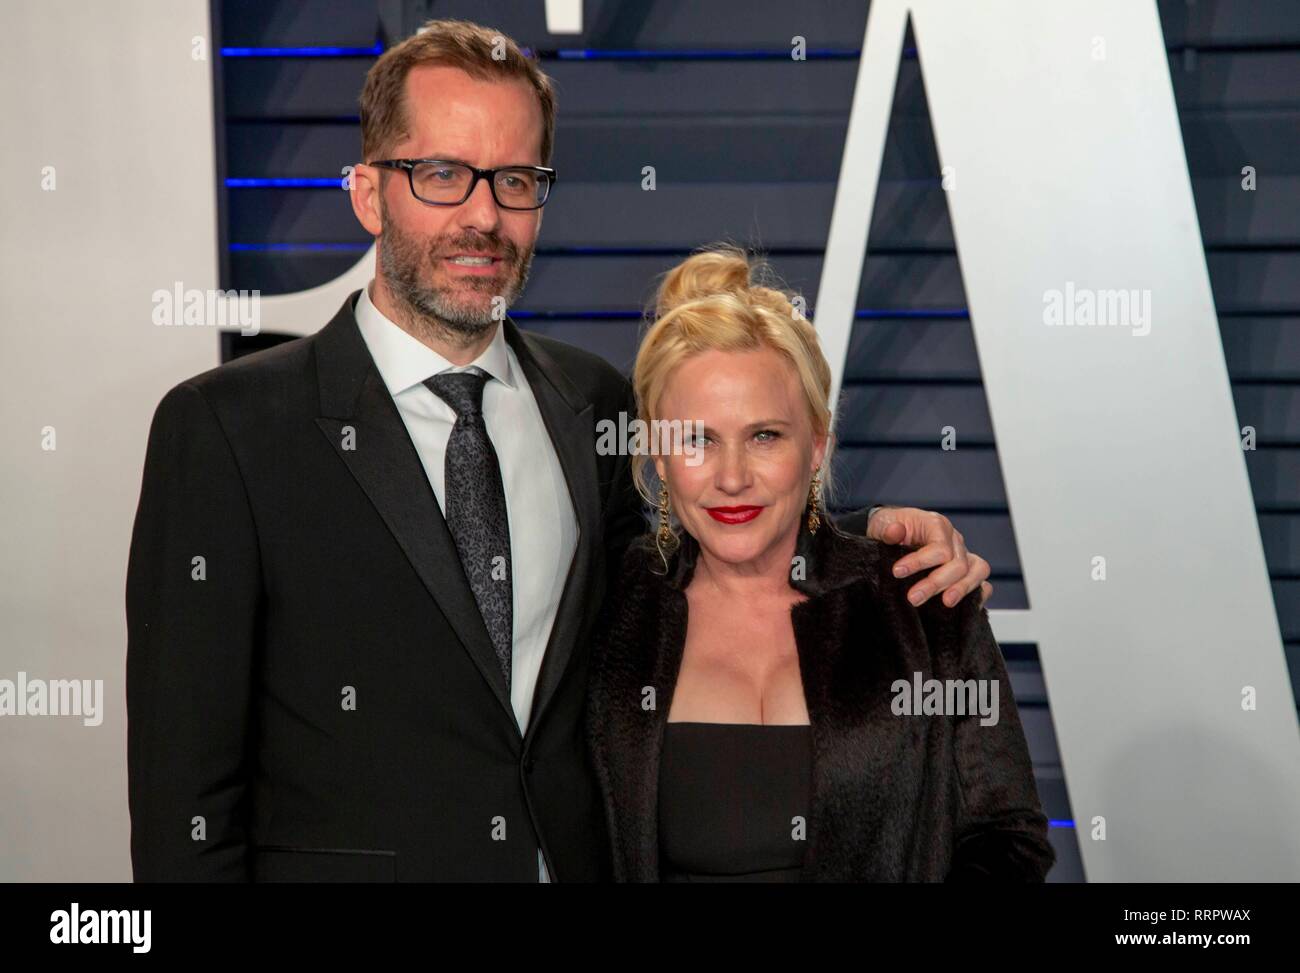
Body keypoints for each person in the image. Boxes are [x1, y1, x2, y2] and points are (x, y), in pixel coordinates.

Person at [126, 19, 993, 882]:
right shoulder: (229, 430)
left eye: (514, 180)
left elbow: (701, 560)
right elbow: (186, 807)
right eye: (440, 174)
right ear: (366, 192)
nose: (482, 216)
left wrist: (871, 547)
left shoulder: (591, 404)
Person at [586, 246, 1054, 881]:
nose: (731, 477)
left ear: (816, 446)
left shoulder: (921, 601)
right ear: (659, 457)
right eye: (697, 439)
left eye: (764, 436)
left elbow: (1008, 837)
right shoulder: (608, 607)